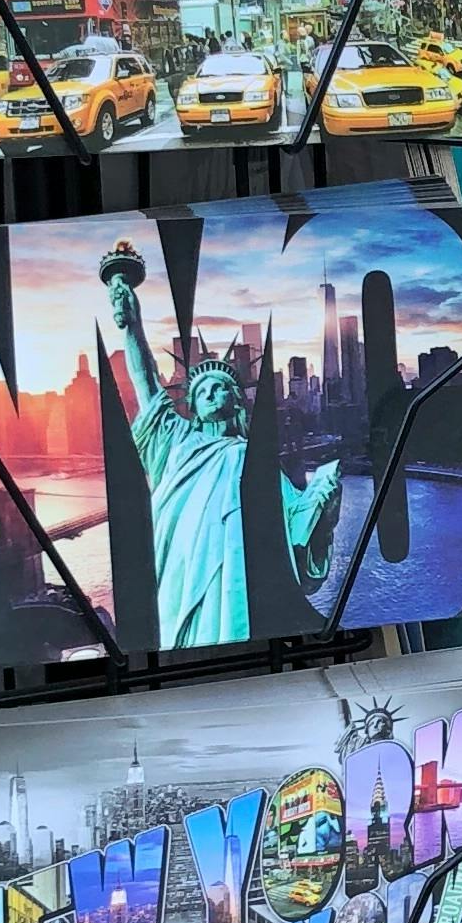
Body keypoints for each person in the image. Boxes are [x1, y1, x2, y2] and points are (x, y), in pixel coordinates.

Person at [99, 239, 339, 648]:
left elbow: (293, 519)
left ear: (236, 400)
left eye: (221, 388)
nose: (212, 394)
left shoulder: (250, 457)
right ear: (191, 404)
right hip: (176, 560)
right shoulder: (174, 439)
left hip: (236, 570)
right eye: (204, 390)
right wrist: (131, 324)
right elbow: (146, 381)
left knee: (232, 626)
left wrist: (325, 501)